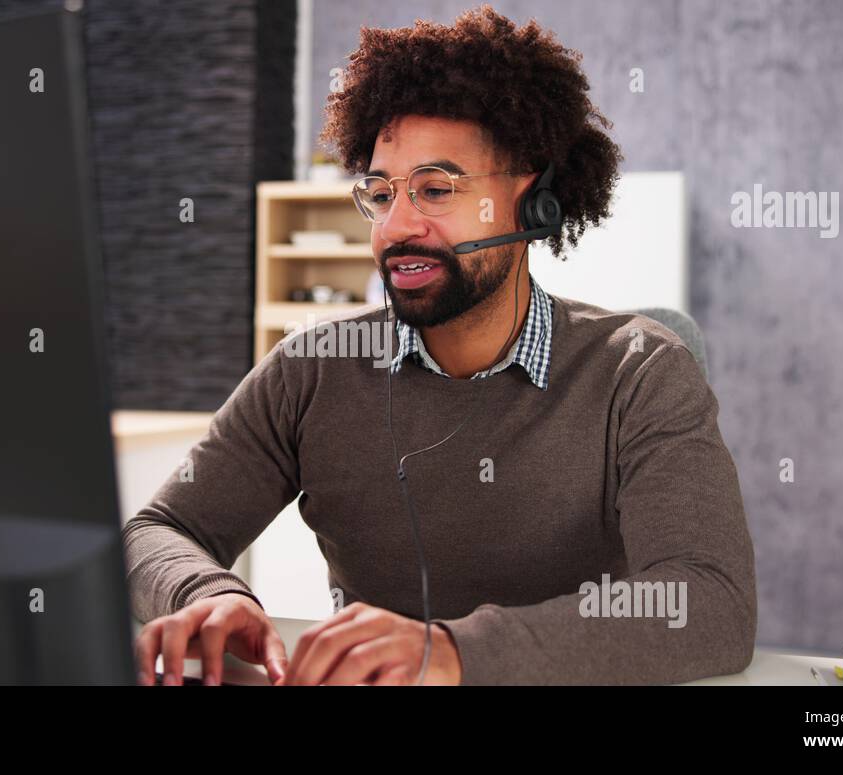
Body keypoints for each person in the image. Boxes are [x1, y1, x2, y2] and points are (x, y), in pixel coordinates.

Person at [125, 5, 756, 686]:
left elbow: (708, 600)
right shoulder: (311, 372)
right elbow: (156, 528)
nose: (396, 226)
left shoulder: (640, 371)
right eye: (380, 192)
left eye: (435, 189)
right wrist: (209, 593)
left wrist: (455, 652)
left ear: (533, 200)